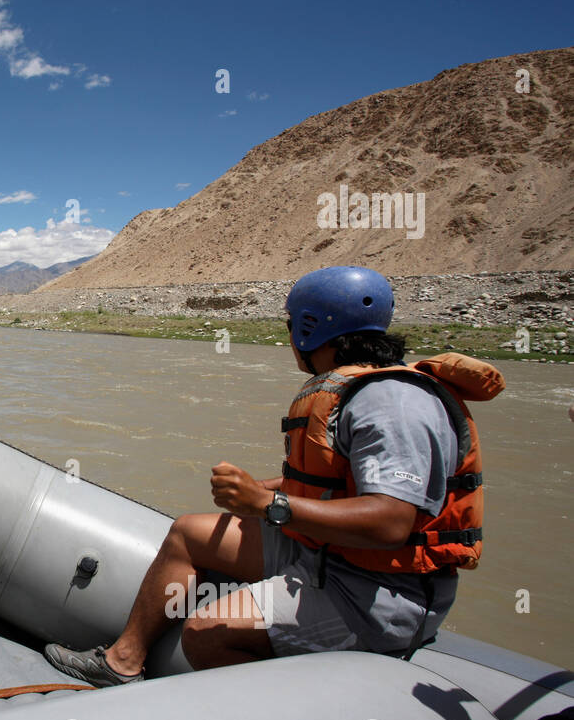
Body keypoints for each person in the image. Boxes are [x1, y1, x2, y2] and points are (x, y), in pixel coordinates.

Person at [45, 265, 503, 684]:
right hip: (327, 553)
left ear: (311, 327)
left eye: (290, 324)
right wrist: (264, 489)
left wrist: (268, 505)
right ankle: (121, 663)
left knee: (207, 633)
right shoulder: (360, 390)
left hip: (382, 593)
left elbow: (391, 521)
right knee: (188, 533)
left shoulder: (392, 404)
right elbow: (341, 484)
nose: (288, 336)